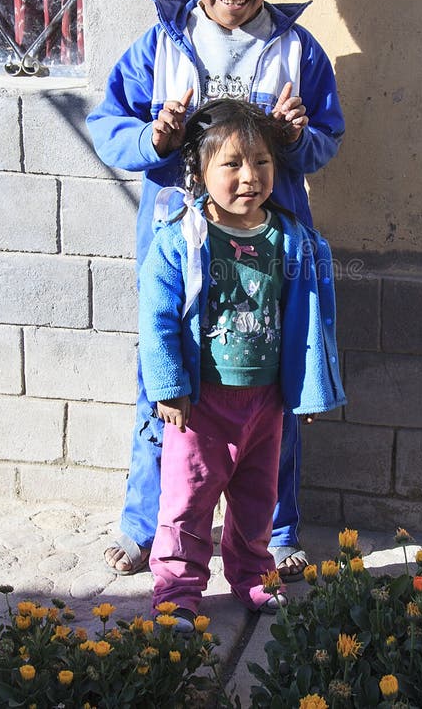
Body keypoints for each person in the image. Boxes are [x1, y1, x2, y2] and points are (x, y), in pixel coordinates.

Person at [86, 0, 345, 581]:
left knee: (276, 391)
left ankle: (277, 533)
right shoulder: (159, 47)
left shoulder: (298, 52)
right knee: (161, 386)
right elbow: (108, 126)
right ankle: (148, 525)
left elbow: (328, 136)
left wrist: (297, 140)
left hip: (269, 260)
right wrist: (154, 138)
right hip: (181, 252)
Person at [139, 100, 345, 630]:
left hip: (264, 402)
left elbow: (311, 319)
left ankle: (252, 576)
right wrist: (168, 387)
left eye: (262, 162)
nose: (250, 177)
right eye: (231, 164)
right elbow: (158, 318)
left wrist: (310, 389)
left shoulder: (289, 239)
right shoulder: (181, 241)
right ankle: (178, 591)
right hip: (201, 404)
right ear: (200, 172)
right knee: (187, 501)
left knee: (258, 501)